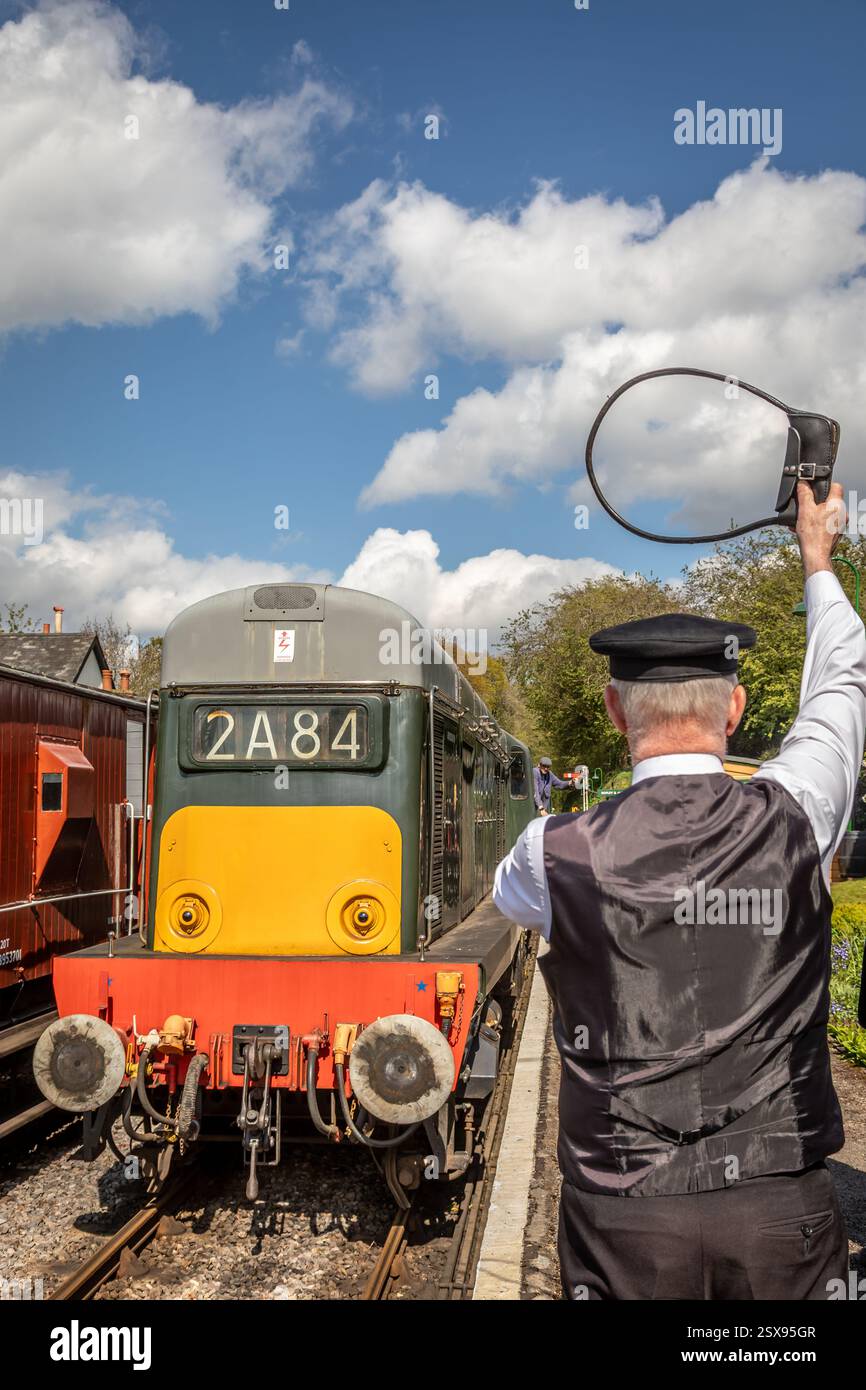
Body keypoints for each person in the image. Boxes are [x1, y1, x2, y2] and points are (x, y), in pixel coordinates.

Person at [493, 481, 866, 1301]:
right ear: (733, 707)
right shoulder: (799, 814)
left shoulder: (550, 851)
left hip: (625, 1217)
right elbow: (842, 685)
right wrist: (817, 560)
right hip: (781, 1208)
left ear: (615, 708)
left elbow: (508, 901)